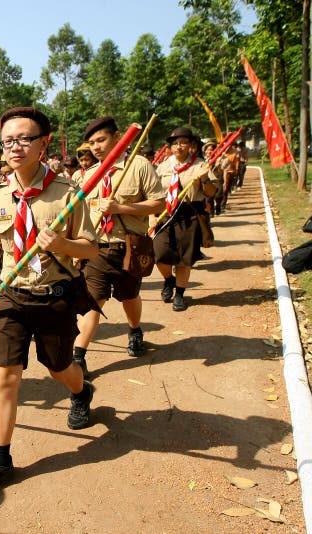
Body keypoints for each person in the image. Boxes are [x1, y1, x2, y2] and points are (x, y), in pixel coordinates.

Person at [0, 106, 98, 499]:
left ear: (43, 144)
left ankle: (80, 391)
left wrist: (61, 243)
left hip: (54, 297)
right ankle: (0, 459)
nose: (15, 146)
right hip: (11, 296)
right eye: (8, 140)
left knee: (59, 367)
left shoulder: (68, 195)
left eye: (24, 138)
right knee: (5, 375)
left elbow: (90, 248)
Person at [71, 117, 165, 375]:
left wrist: (121, 208)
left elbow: (159, 204)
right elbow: (78, 215)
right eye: (91, 143)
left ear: (118, 136)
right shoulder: (88, 176)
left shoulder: (138, 166)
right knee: (93, 300)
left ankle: (135, 330)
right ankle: (79, 355)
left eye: (101, 140)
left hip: (129, 248)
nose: (96, 147)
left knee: (129, 296)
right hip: (97, 249)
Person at [153, 127, 217, 311]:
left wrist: (205, 180)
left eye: (183, 143)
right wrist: (151, 216)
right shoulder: (163, 167)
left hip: (188, 215)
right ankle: (168, 279)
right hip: (165, 215)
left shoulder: (200, 165)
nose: (178, 147)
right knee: (159, 253)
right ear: (170, 147)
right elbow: (152, 193)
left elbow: (211, 193)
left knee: (184, 259)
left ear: (191, 145)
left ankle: (179, 294)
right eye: (174, 144)